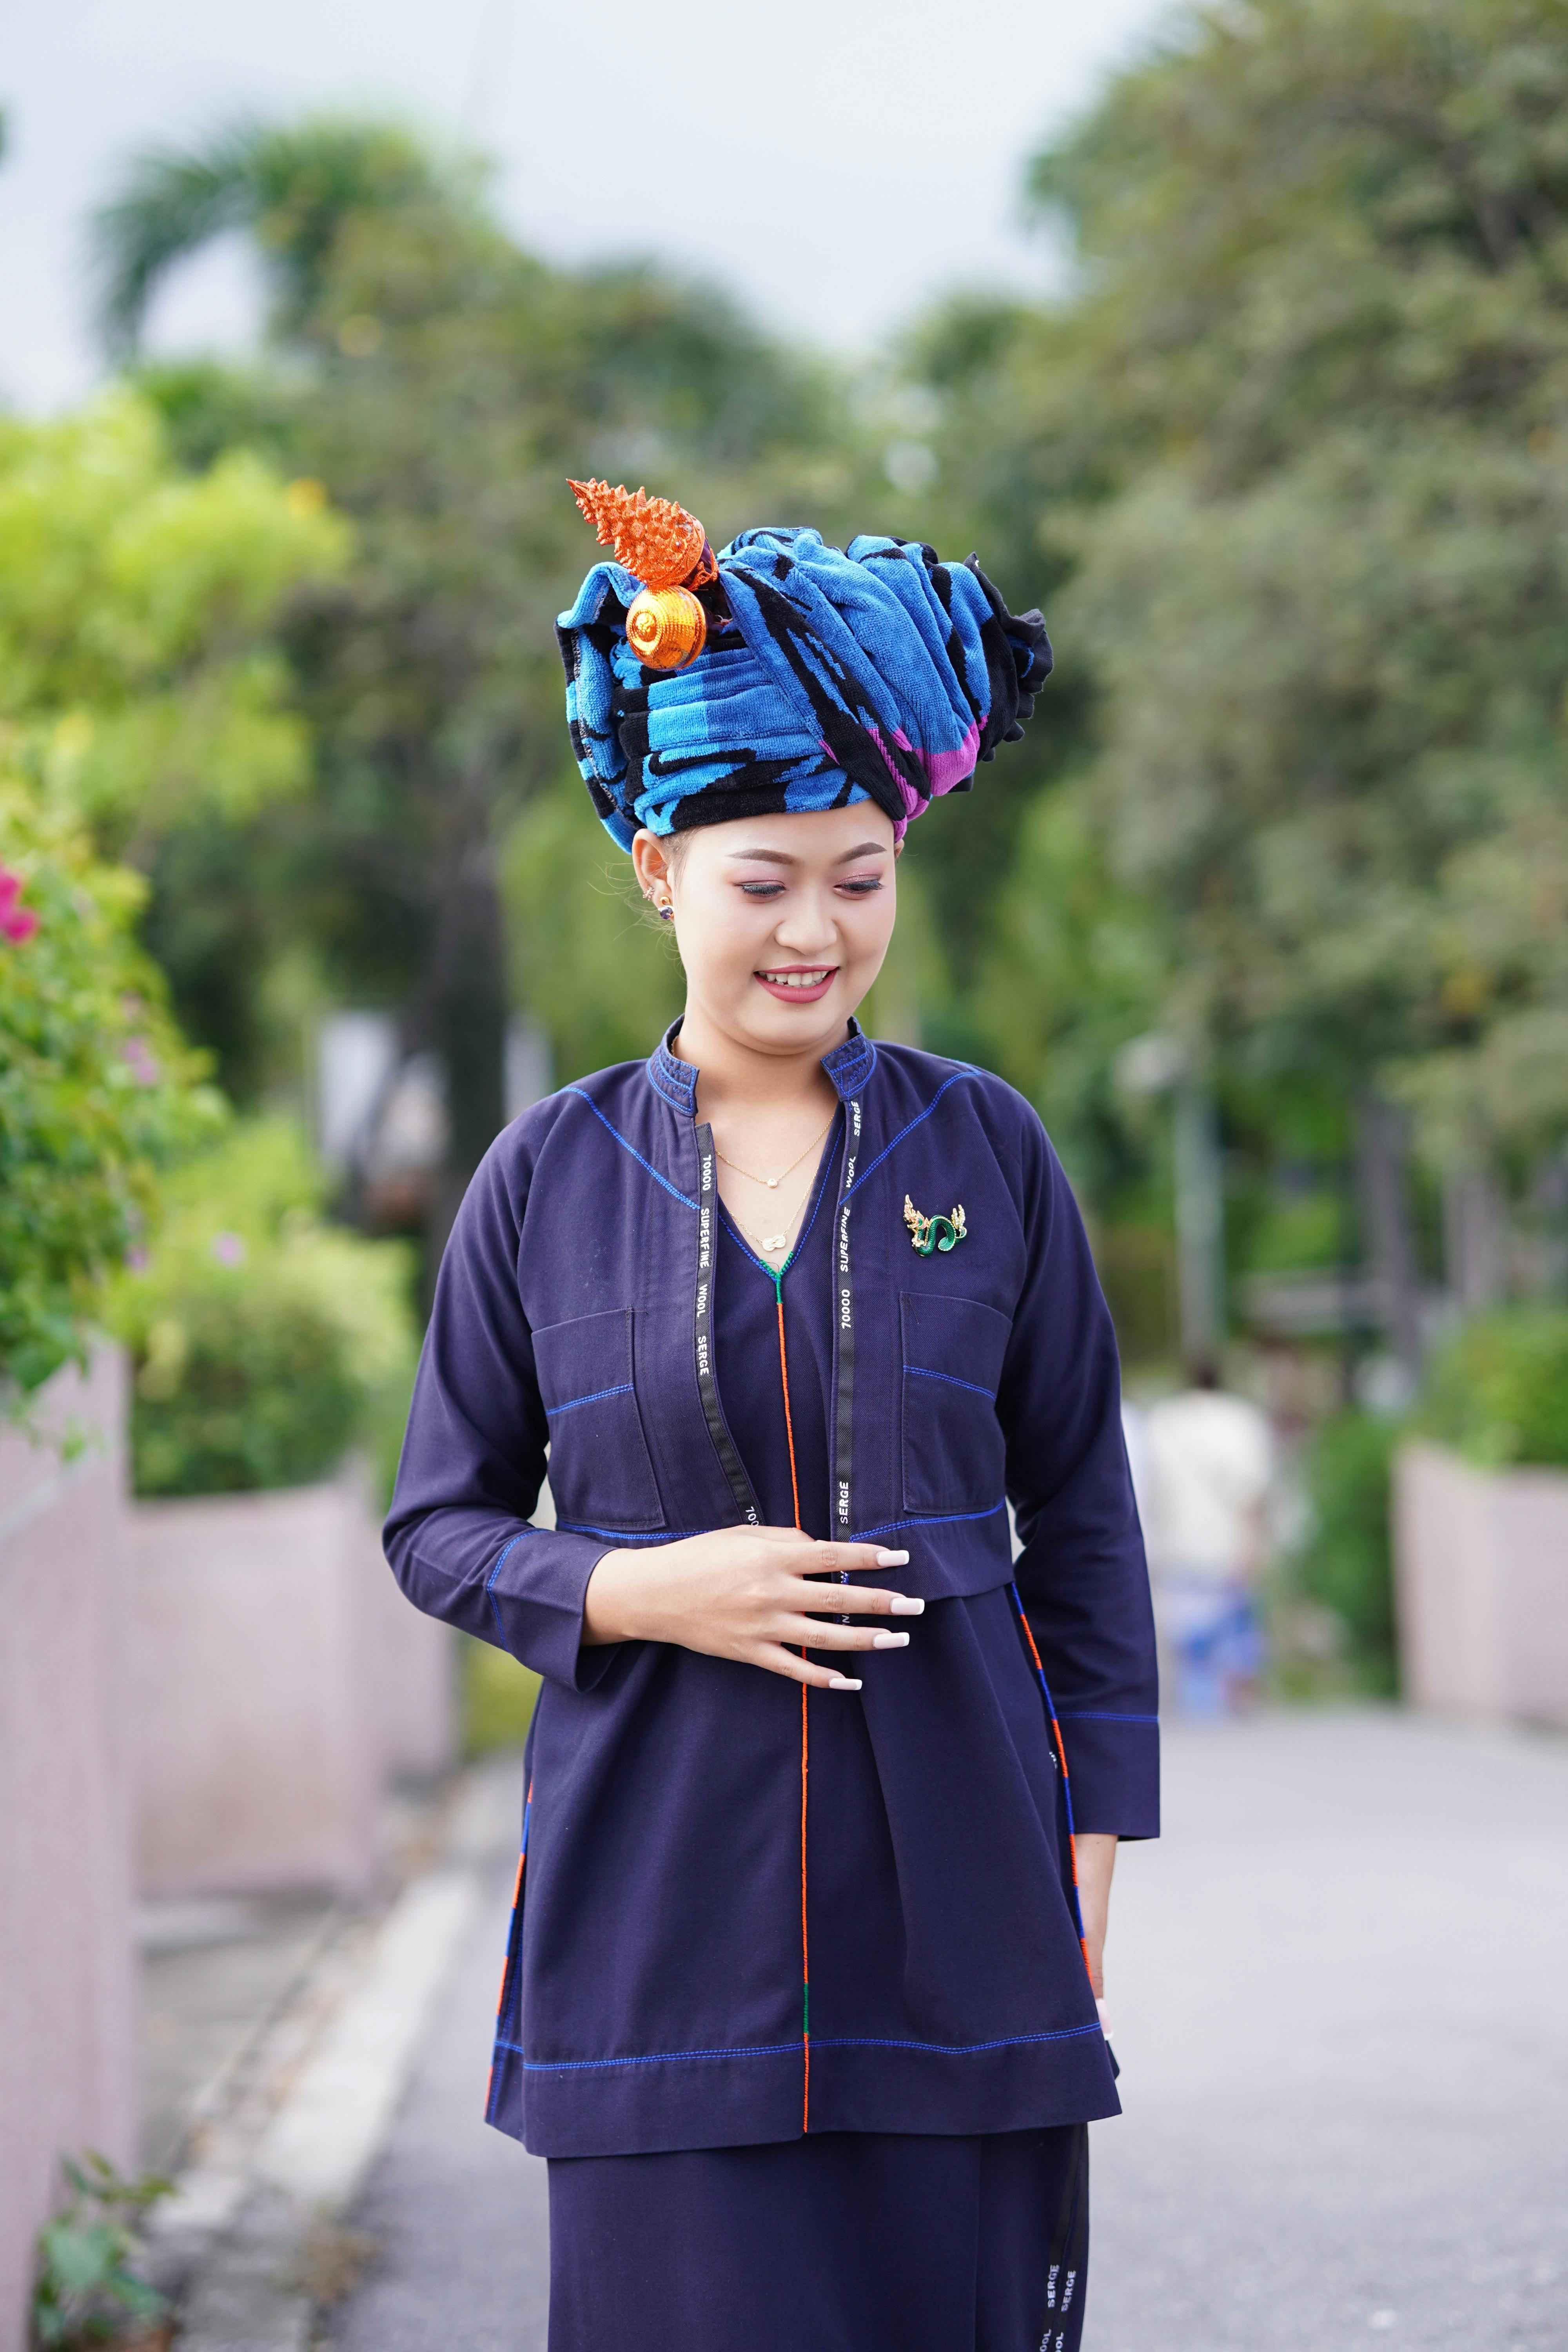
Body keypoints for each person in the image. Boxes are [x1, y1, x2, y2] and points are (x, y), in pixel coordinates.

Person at [384, 482, 1159, 2352]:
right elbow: (437, 1519)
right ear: (656, 864)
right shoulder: (539, 1179)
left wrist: (1095, 1827)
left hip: (962, 1902)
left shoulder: (985, 1149)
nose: (813, 929)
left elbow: (1080, 1507)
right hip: (656, 1923)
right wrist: (644, 1593)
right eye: (760, 880)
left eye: (858, 875)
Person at [1142, 1363, 1274, 1716]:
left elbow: (1151, 1491)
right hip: (1228, 1547)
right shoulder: (1242, 1421)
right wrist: (1254, 1547)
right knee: (1235, 1640)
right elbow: (1251, 1493)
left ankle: (1200, 1716)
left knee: (1191, 1647)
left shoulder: (1162, 1422)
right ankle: (1235, 1710)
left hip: (1178, 1548)